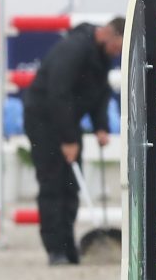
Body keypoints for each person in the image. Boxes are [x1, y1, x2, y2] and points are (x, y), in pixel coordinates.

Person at [22, 18, 122, 265]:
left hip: (67, 119)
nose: (118, 52)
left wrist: (100, 126)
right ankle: (55, 250)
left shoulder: (102, 55)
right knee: (52, 184)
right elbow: (58, 92)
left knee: (71, 185)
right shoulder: (73, 49)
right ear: (107, 34)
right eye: (118, 46)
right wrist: (68, 139)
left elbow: (100, 92)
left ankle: (69, 248)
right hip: (44, 120)